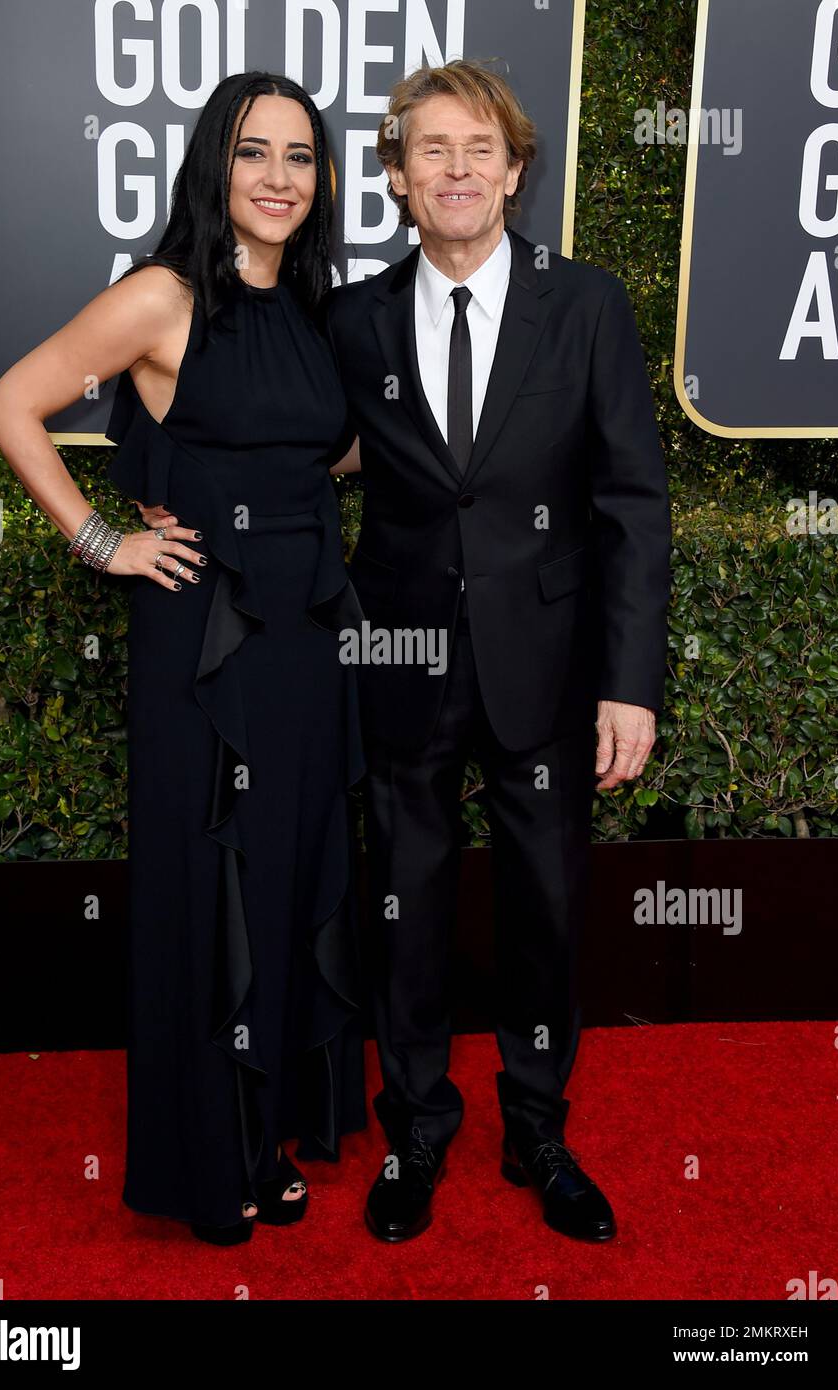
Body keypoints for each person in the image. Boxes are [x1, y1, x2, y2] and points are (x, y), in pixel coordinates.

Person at [0, 71, 366, 1246]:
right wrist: (106, 542)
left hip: (303, 633)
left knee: (291, 866)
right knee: (215, 881)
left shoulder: (313, 304)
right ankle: (213, 1158)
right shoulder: (160, 297)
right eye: (255, 153)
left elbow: (325, 455)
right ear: (214, 164)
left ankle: (268, 1125)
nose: (278, 178)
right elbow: (13, 402)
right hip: (203, 640)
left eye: (301, 158)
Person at [321, 59, 672, 1243]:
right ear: (398, 177)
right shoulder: (353, 316)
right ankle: (415, 1125)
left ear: (516, 171)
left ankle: (536, 1124)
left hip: (552, 663)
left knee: (543, 906)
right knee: (401, 903)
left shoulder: (585, 306)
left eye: (479, 149)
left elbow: (631, 500)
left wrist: (628, 684)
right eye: (431, 150)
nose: (456, 170)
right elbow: (300, 450)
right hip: (402, 655)